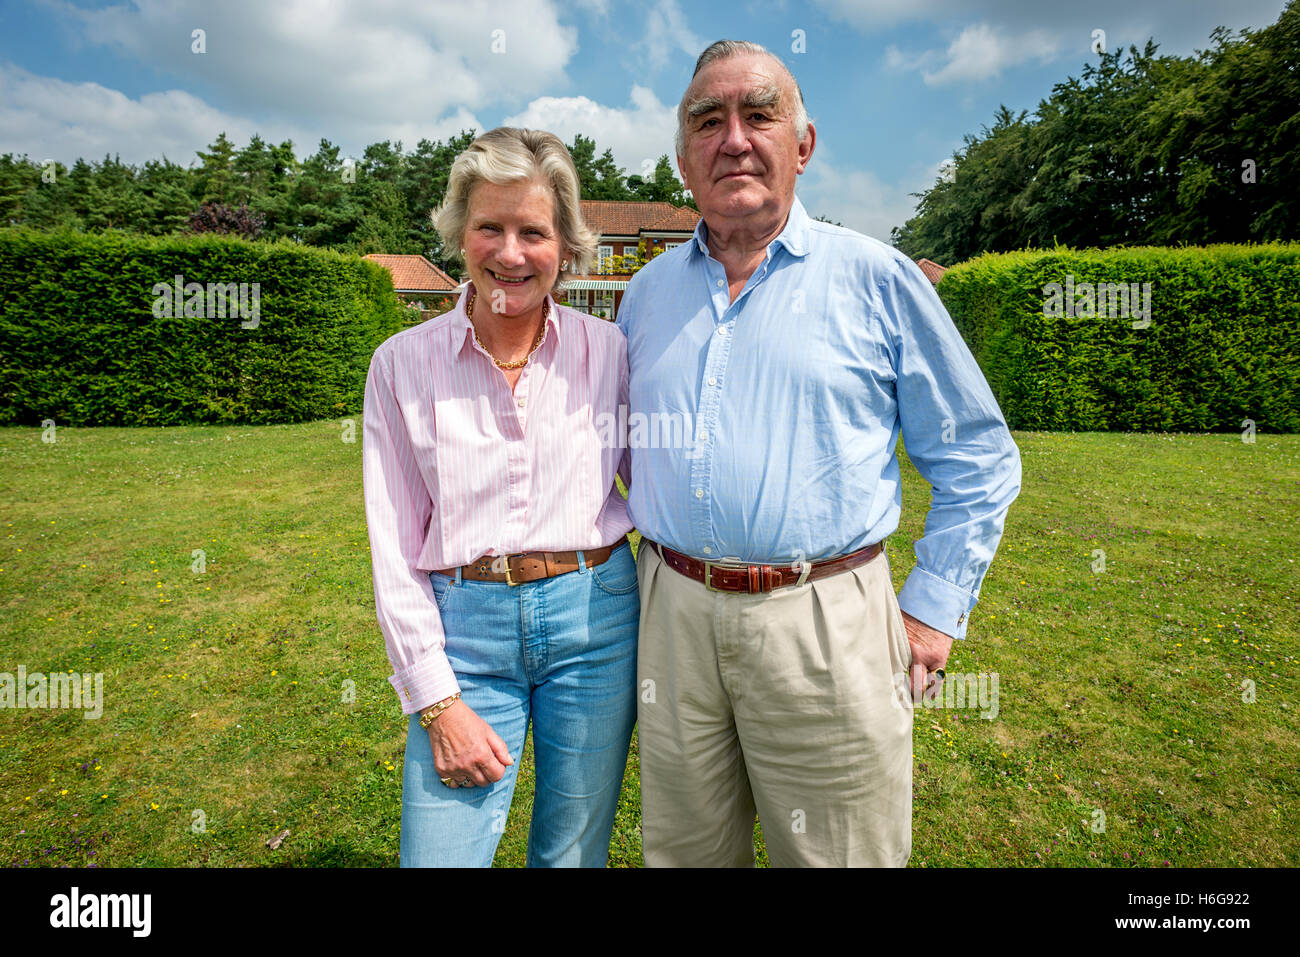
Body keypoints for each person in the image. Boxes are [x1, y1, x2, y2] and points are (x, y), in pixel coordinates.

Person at [616, 40, 1022, 867]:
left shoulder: (877, 276)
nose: (734, 137)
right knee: (685, 854)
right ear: (684, 157)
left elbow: (976, 454)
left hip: (825, 620)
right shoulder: (645, 292)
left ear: (802, 144)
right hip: (671, 619)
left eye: (759, 114)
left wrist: (933, 610)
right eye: (708, 120)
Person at [362, 127, 638, 868]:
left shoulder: (609, 352)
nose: (510, 253)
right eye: (490, 226)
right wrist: (437, 698)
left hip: (597, 623)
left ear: (566, 246)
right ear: (459, 233)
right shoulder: (400, 365)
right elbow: (392, 547)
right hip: (466, 632)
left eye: (533, 232)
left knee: (573, 853)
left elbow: (655, 482)